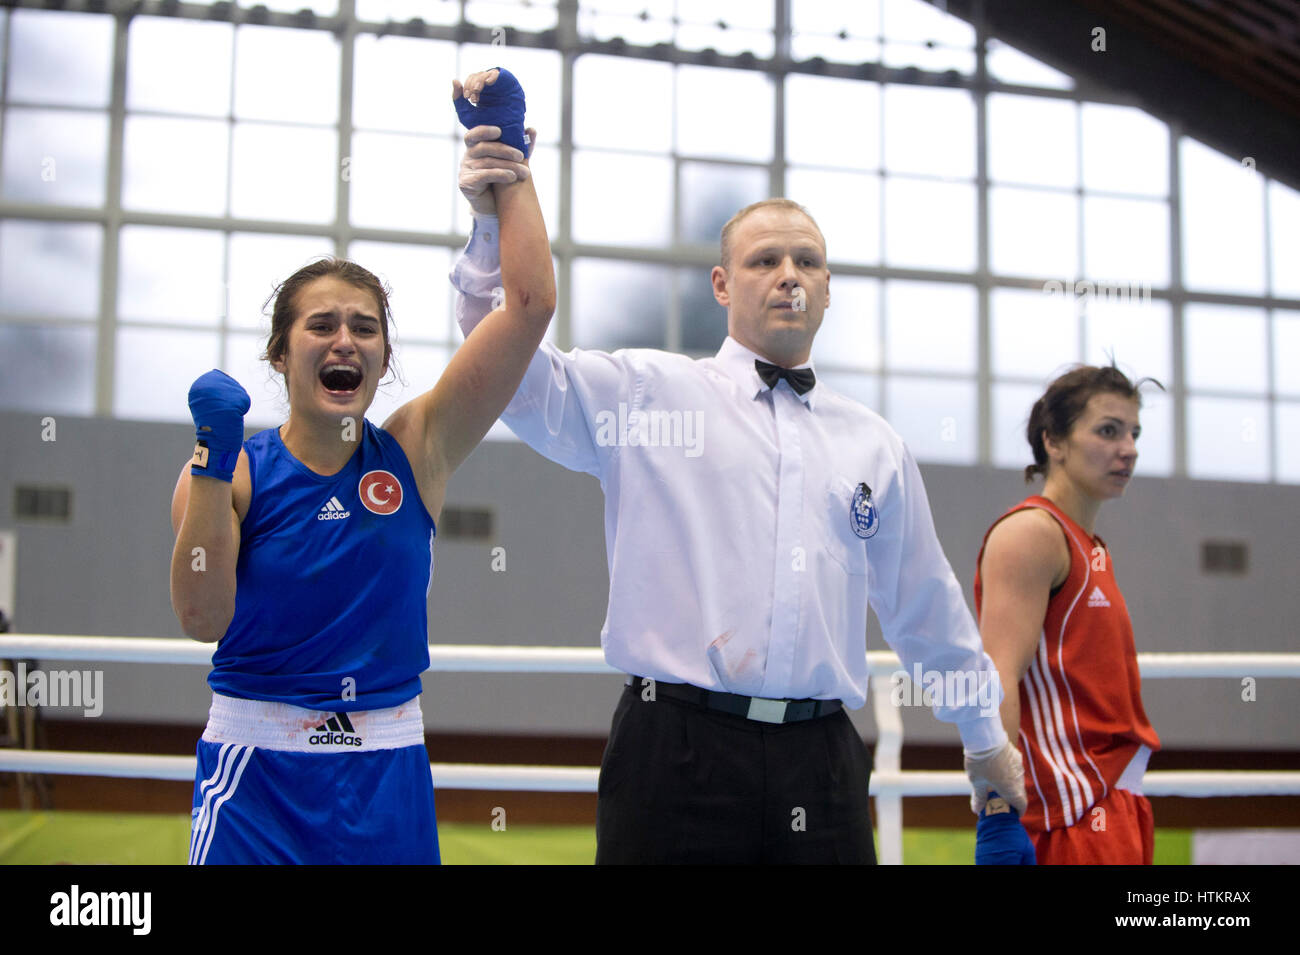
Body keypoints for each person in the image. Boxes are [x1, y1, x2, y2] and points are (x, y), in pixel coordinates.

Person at [452, 105, 1026, 864]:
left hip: (820, 765)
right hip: (673, 755)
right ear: (722, 284)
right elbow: (512, 373)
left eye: (807, 261)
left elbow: (926, 608)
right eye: (764, 261)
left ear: (828, 288)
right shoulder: (647, 395)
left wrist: (984, 738)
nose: (789, 274)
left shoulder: (875, 445)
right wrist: (496, 224)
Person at [170, 69, 553, 864]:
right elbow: (202, 617)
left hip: (387, 770)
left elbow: (529, 308)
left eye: (365, 327)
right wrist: (209, 458)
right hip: (257, 775)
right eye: (321, 324)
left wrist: (509, 165)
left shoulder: (418, 446)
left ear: (383, 357)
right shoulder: (234, 468)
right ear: (281, 354)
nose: (345, 339)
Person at [974, 365, 1163, 864]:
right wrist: (998, 811)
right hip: (1068, 817)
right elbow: (997, 675)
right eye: (1108, 430)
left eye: (1134, 432)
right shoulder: (1032, 534)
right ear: (1053, 442)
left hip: (1113, 803)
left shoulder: (1089, 546)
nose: (1129, 448)